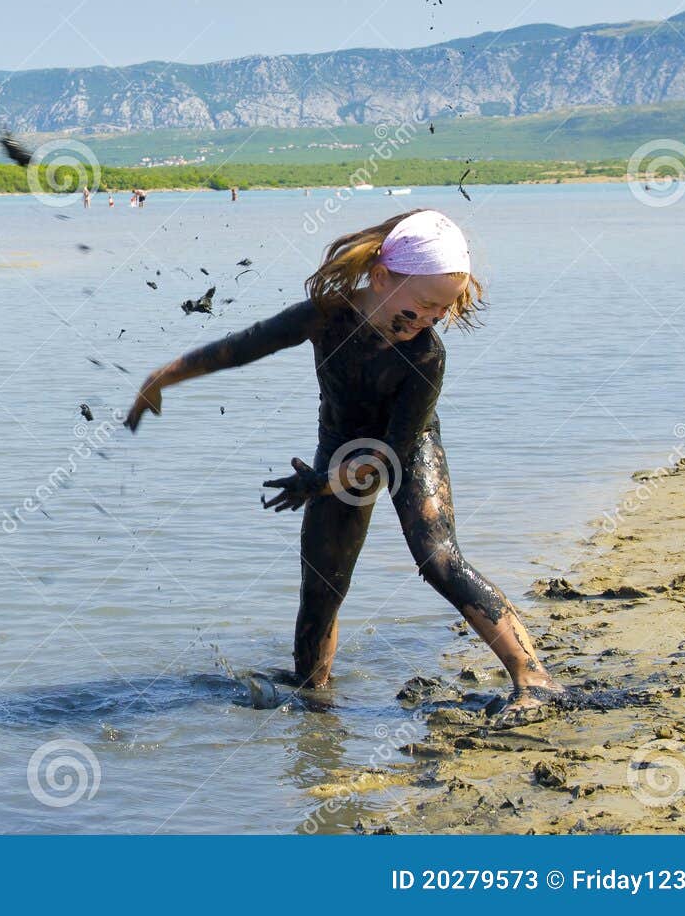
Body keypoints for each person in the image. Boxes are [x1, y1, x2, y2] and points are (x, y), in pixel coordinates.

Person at [125, 209, 560, 714]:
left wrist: (324, 484)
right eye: (419, 306)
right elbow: (242, 347)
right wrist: (161, 378)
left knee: (437, 557)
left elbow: (390, 455)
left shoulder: (425, 356)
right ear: (379, 278)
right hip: (339, 445)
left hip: (407, 447)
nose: (422, 323)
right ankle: (312, 689)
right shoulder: (325, 316)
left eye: (438, 315)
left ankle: (533, 676)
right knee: (323, 577)